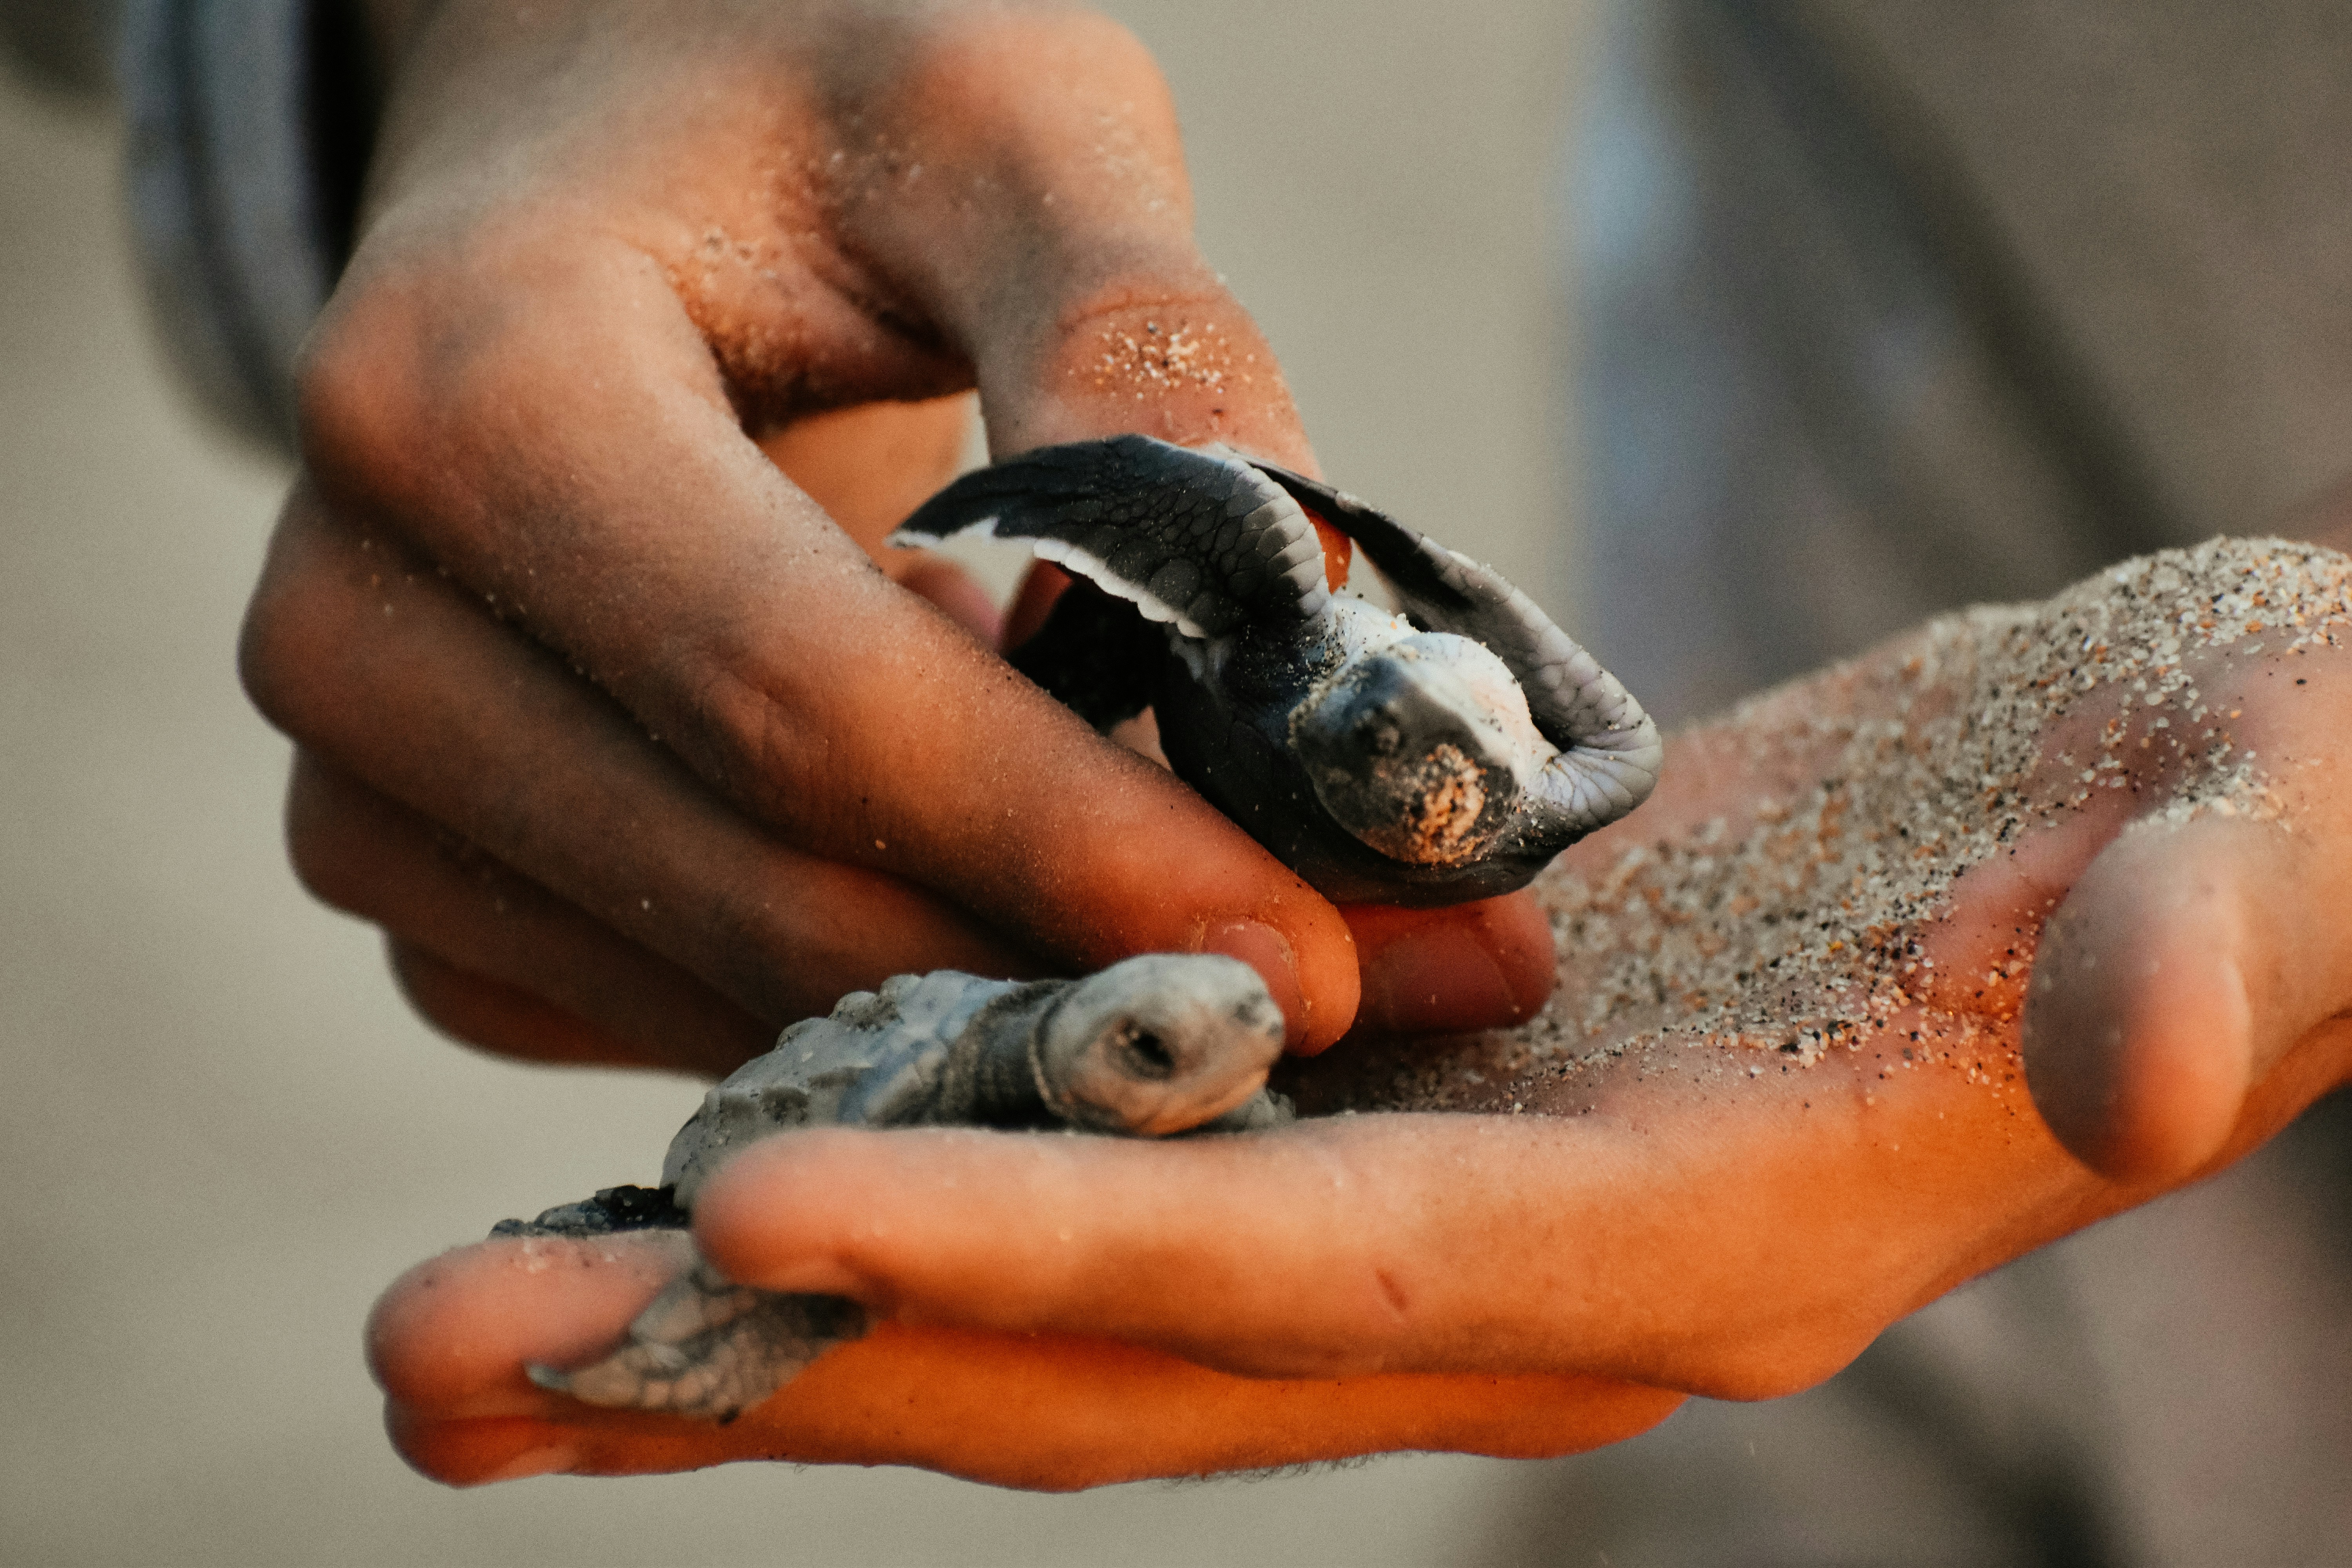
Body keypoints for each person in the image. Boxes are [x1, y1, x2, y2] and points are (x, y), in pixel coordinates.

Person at [50, 0, 2352, 1529]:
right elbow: (1509, 713)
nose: (1465, 785)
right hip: (1879, 464)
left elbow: (1573, 740)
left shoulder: (1544, 788)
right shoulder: (1395, 711)